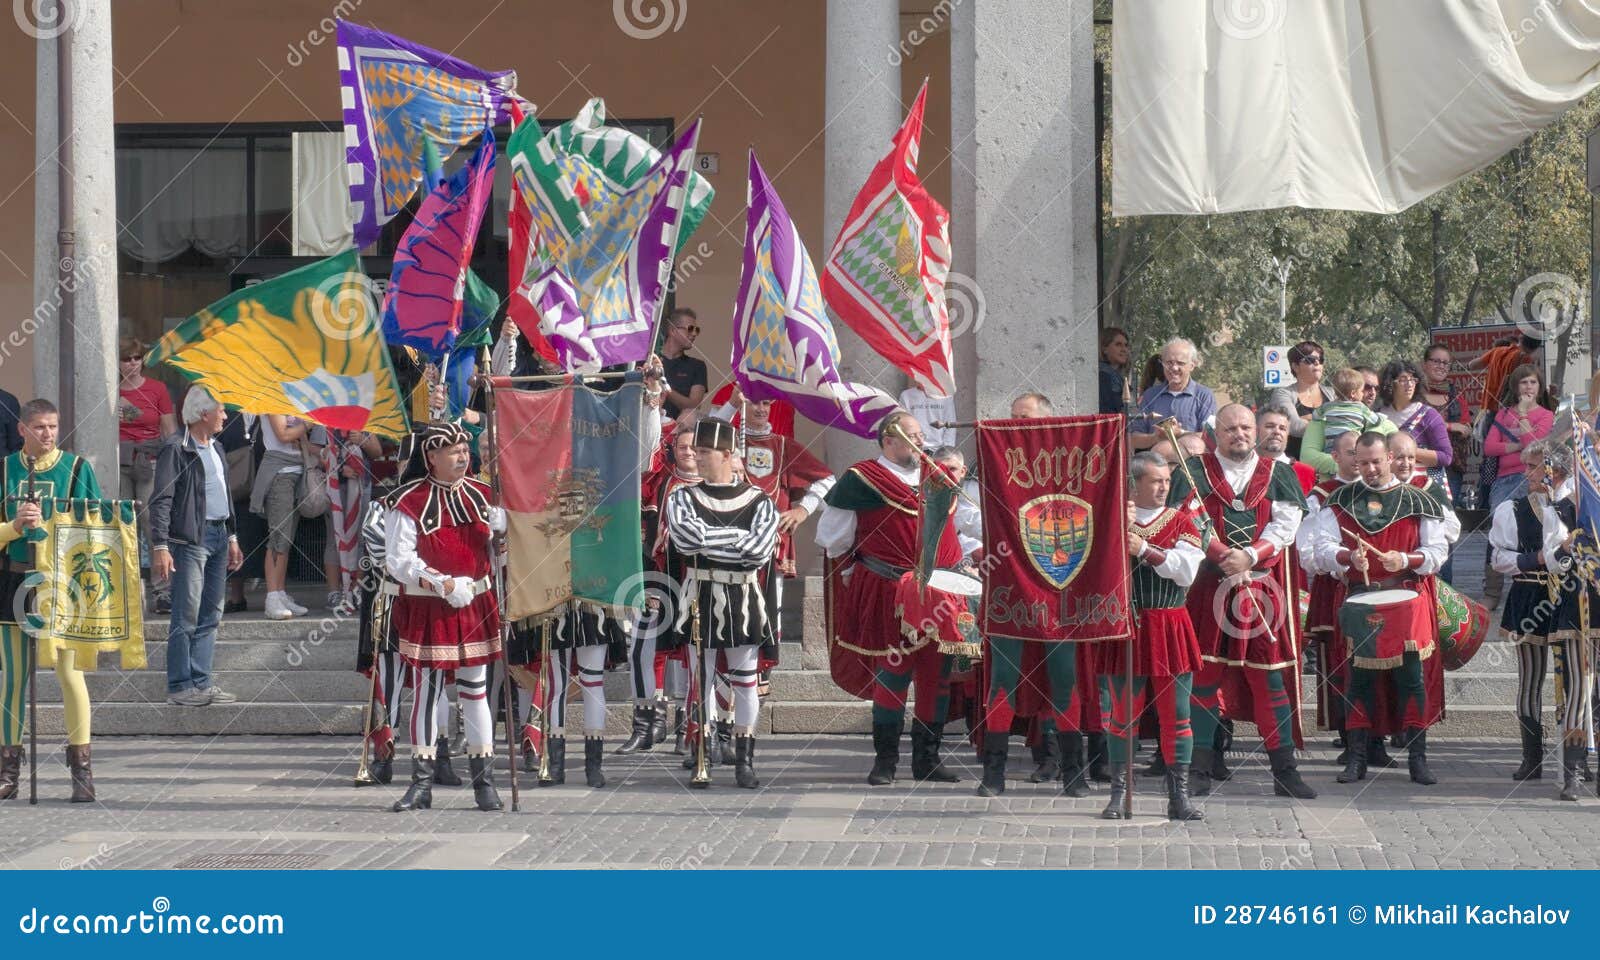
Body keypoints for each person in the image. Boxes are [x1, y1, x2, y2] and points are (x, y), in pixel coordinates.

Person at [1168, 403, 1314, 799]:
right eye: (1231, 429)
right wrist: (1220, 555)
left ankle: (1285, 772)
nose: (1241, 435)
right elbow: (1185, 521)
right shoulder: (1192, 472)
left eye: (1246, 428)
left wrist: (1248, 555)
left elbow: (1286, 525)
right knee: (1204, 678)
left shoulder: (1278, 473)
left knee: (1268, 679)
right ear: (1217, 432)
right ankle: (1198, 768)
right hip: (1207, 591)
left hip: (1261, 591)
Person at [817, 410, 963, 786]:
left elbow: (957, 531)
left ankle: (927, 759)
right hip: (888, 592)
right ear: (888, 441)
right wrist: (856, 576)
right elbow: (835, 536)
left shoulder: (937, 477)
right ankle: (885, 762)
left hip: (940, 594)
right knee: (893, 673)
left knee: (936, 678)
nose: (921, 443)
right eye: (912, 436)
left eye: (921, 435)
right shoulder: (863, 478)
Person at [1312, 431, 1450, 787]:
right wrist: (1347, 556)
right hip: (1361, 599)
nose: (1371, 469)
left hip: (1407, 599)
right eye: (1363, 463)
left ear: (1390, 457)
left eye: (1377, 461)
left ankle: (1418, 759)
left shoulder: (1420, 500)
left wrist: (1404, 558)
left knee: (1412, 679)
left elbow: (1437, 552)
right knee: (1358, 680)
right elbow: (1321, 547)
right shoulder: (1341, 500)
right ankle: (1357, 757)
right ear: (1354, 462)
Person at [386, 422, 506, 813]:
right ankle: (421, 783)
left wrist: (504, 532)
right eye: (452, 450)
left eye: (464, 448)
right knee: (427, 693)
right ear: (431, 457)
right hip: (430, 606)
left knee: (475, 691)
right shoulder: (408, 501)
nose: (462, 455)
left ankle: (483, 782)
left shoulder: (485, 496)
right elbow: (399, 561)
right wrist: (443, 583)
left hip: (476, 604)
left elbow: (505, 546)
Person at [666, 417, 780, 788]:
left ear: (728, 455)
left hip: (742, 595)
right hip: (700, 594)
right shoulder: (681, 497)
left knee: (746, 681)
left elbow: (759, 551)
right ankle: (705, 750)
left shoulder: (760, 500)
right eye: (696, 451)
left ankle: (745, 758)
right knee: (700, 679)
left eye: (704, 452)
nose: (697, 458)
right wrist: (735, 538)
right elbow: (685, 540)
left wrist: (712, 538)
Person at [0, 400, 104, 802]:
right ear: (23, 429)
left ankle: (82, 771)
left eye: (53, 426)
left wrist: (53, 524)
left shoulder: (77, 469)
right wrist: (13, 526)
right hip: (11, 580)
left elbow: (94, 528)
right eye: (40, 427)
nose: (47, 434)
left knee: (69, 674)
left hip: (61, 588)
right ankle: (8, 770)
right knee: (11, 679)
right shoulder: (5, 470)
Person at [1097, 451, 1205, 821]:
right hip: (1126, 624)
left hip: (1169, 623)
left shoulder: (1181, 522)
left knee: (1177, 715)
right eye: (1155, 481)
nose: (1163, 487)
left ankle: (1179, 796)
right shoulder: (1111, 520)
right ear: (1135, 484)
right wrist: (1113, 532)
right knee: (1122, 716)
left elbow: (1186, 570)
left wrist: (1143, 549)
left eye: (1165, 480)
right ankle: (1118, 793)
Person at [1489, 439, 1598, 798]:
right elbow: (1501, 560)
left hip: (1573, 594)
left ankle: (1578, 762)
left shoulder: (1581, 505)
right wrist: (1537, 558)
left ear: (1558, 469)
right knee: (1531, 678)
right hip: (1531, 595)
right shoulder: (1513, 508)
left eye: (1535, 466)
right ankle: (1533, 757)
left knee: (1580, 686)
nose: (1527, 472)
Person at [149, 387, 243, 708]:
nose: (225, 416)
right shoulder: (175, 448)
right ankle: (179, 685)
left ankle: (201, 683)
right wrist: (160, 544)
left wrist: (232, 537)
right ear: (204, 414)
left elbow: (224, 496)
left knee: (211, 612)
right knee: (186, 613)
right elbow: (161, 499)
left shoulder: (215, 447)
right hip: (191, 539)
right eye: (221, 410)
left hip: (218, 534)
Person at [1482, 364, 1555, 606]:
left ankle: (1534, 585)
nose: (1528, 386)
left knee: (1533, 529)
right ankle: (1492, 592)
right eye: (1524, 382)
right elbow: (1489, 447)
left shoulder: (1546, 415)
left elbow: (1534, 444)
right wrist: (1517, 446)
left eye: (1533, 382)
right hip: (1505, 480)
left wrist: (1523, 414)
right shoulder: (1502, 414)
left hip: (1533, 478)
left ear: (1539, 386)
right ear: (1516, 386)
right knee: (1498, 528)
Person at [117, 336, 178, 612]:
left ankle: (162, 591)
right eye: (126, 358)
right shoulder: (110, 389)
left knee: (153, 526)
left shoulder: (157, 389)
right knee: (121, 527)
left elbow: (170, 430)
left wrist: (175, 465)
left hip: (149, 461)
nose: (131, 363)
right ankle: (124, 590)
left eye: (136, 358)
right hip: (117, 462)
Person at [250, 413, 313, 620]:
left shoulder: (292, 399)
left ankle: (281, 592)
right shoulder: (273, 399)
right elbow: (283, 435)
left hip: (296, 470)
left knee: (286, 538)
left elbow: (297, 437)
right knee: (278, 535)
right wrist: (306, 424)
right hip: (280, 473)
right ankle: (272, 596)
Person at [1298, 368, 1395, 477]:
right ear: (1353, 391)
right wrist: (1349, 466)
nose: (1372, 392)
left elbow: (1398, 454)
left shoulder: (1327, 409)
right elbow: (1308, 458)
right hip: (1331, 487)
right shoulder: (1321, 423)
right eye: (1366, 388)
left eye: (1377, 388)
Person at [1376, 359, 1453, 489]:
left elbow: (1446, 457)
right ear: (1389, 383)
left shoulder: (1429, 415)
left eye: (1413, 379)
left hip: (1424, 490)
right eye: (1403, 379)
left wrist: (1407, 451)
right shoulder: (1377, 416)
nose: (1410, 384)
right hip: (1386, 489)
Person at [1131, 338, 1217, 450]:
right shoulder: (1150, 395)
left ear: (1192, 365)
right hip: (1156, 464)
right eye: (1169, 363)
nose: (1174, 368)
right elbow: (1133, 440)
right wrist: (1156, 437)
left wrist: (1179, 433)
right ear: (1162, 364)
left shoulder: (1204, 395)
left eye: (1180, 363)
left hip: (1191, 464)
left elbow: (1211, 438)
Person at [1420, 343, 1472, 503]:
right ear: (1424, 364)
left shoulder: (1456, 395)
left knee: (1447, 516)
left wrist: (1443, 426)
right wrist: (1449, 426)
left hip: (1451, 467)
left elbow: (1465, 430)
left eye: (1445, 363)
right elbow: (1414, 426)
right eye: (1436, 361)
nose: (1441, 366)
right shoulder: (1414, 394)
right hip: (1419, 464)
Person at [1265, 340, 1333, 460]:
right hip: (1295, 465)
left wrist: (1310, 419)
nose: (1317, 363)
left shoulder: (1333, 394)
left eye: (1321, 359)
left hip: (1329, 463)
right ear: (1295, 366)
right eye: (1310, 360)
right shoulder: (1283, 393)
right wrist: (1331, 424)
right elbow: (1294, 427)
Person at [1473, 332, 1543, 417]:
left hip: (1489, 406)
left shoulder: (1497, 351)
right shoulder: (1526, 359)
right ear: (1536, 347)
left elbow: (1472, 365)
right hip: (1510, 409)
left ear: (1520, 338)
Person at [659, 307, 707, 424]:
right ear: (672, 330)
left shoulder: (697, 366)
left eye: (697, 330)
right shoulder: (649, 361)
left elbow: (693, 407)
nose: (694, 334)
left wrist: (663, 386)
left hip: (678, 434)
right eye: (690, 329)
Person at [1258, 408, 1315, 496]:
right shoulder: (1243, 468)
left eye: (1282, 428)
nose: (1277, 431)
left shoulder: (1306, 473)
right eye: (1270, 426)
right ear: (1256, 430)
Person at [1099, 326, 1133, 415]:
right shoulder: (1102, 375)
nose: (1124, 349)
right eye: (1118, 344)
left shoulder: (1117, 376)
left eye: (1126, 345)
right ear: (1105, 349)